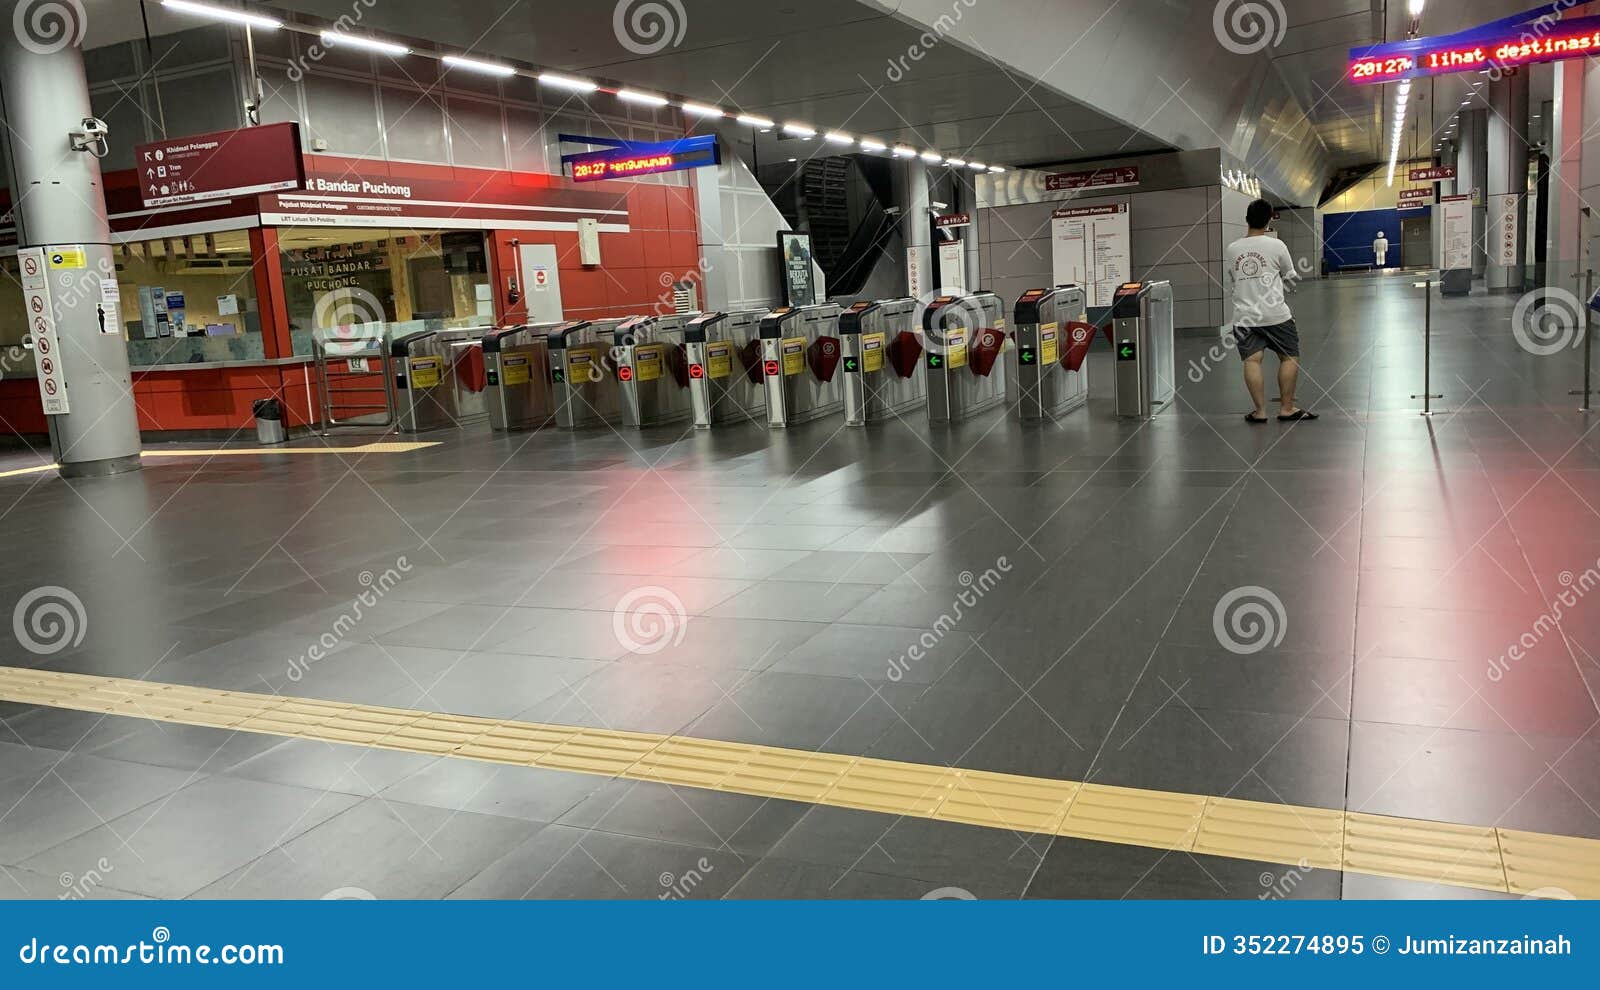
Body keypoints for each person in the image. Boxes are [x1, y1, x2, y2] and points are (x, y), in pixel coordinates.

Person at [1225, 199, 1317, 423]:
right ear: (1269, 220)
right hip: (1276, 314)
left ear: (1247, 219)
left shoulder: (1232, 249)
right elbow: (1290, 275)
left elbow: (1232, 279)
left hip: (1244, 316)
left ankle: (1260, 412)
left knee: (1252, 361)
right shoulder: (1277, 246)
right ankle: (1286, 408)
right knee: (1288, 357)